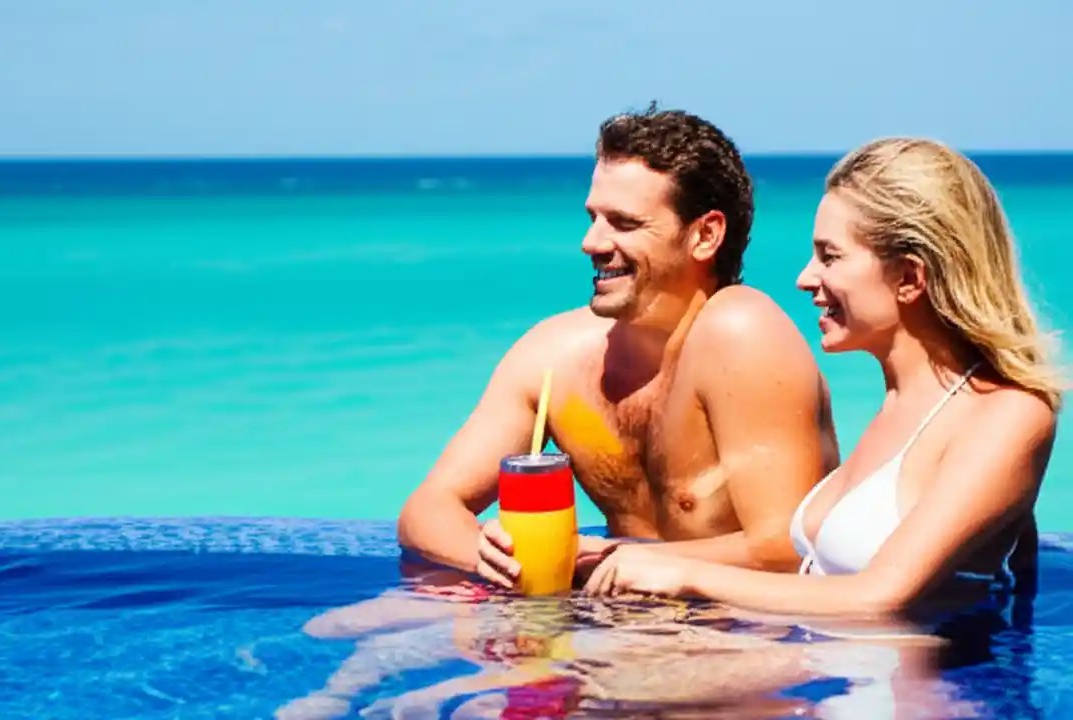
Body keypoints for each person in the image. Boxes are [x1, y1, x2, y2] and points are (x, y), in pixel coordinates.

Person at [585, 137, 1062, 620]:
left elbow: (879, 598)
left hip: (918, 695)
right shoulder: (901, 406)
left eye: (830, 257)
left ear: (910, 278)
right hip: (832, 680)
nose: (805, 278)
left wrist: (686, 576)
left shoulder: (1007, 415)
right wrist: (620, 559)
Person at [398, 104, 840, 587]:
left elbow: (786, 550)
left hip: (740, 626)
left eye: (623, 224)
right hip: (612, 612)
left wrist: (618, 558)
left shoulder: (743, 333)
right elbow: (428, 510)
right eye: (593, 218)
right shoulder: (554, 356)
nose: (591, 242)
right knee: (354, 636)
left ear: (705, 235)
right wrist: (489, 559)